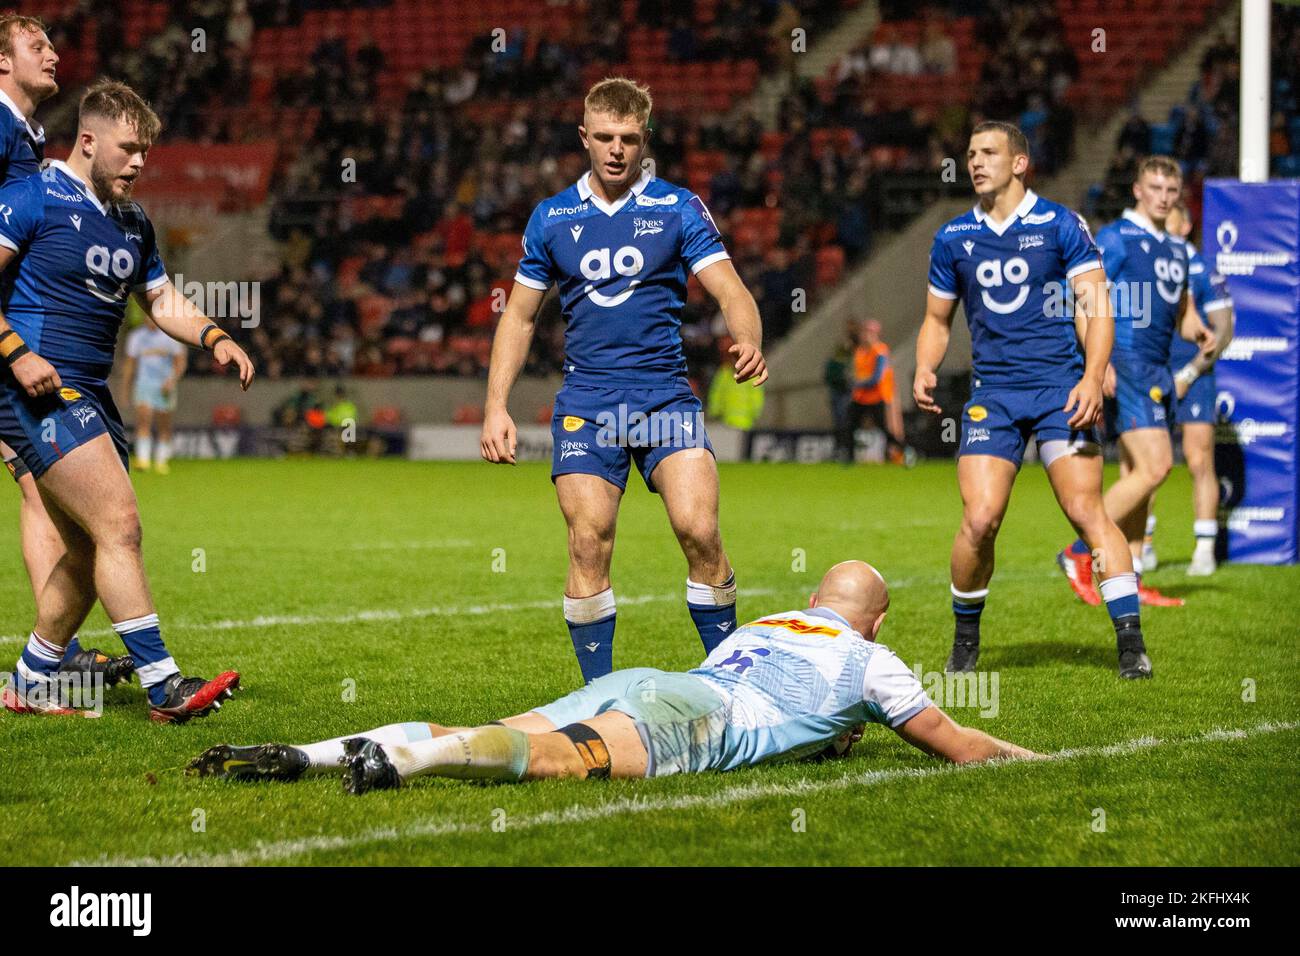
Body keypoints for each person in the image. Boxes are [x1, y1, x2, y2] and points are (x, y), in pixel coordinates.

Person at [188, 561, 1041, 793]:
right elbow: (956, 745)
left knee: (504, 725)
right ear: (876, 619)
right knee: (556, 760)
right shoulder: (873, 662)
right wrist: (1032, 759)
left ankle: (309, 752)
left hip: (647, 675)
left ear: (815, 599)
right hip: (694, 715)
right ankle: (408, 764)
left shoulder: (767, 622)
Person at [480, 78, 767, 683]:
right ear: (583, 137)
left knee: (699, 530)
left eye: (629, 139)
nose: (616, 150)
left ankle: (732, 684)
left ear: (645, 141)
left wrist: (749, 337)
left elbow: (731, 289)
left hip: (665, 396)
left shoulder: (679, 207)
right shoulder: (551, 217)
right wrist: (495, 406)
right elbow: (521, 317)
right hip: (588, 401)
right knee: (589, 540)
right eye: (605, 137)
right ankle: (600, 697)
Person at [0, 80, 254, 720]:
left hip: (92, 392)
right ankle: (162, 684)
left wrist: (215, 336)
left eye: (146, 152)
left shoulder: (133, 221)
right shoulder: (32, 196)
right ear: (87, 141)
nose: (140, 164)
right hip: (37, 390)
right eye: (129, 150)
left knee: (86, 549)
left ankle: (31, 678)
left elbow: (161, 300)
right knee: (120, 524)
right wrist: (16, 353)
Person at [913, 121, 1152, 680]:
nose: (976, 161)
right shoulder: (952, 237)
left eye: (989, 152)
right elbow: (935, 319)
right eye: (970, 153)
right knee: (980, 520)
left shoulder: (1060, 224)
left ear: (1020, 163)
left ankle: (1131, 646)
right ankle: (965, 645)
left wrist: (1093, 378)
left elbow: (1097, 307)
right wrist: (924, 365)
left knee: (1088, 512)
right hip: (992, 396)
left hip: (1058, 389)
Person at [0, 13, 132, 685]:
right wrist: (11, 342)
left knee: (38, 489)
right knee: (43, 489)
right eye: (36, 44)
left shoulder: (25, 135)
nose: (54, 53)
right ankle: (49, 661)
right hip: (10, 345)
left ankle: (45, 662)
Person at [1057, 157, 1208, 607]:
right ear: (1138, 191)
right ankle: (1079, 551)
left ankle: (1131, 576)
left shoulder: (1178, 248)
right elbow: (1083, 300)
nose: (1163, 196)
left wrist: (1196, 329)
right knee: (1157, 466)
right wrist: (1098, 364)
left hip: (1158, 366)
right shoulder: (1117, 238)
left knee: (1138, 476)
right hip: (1127, 361)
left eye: (1170, 190)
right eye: (1154, 188)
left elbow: (1181, 313)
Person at [1139, 201, 1233, 576]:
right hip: (1153, 373)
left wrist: (1189, 374)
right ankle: (1142, 546)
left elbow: (1223, 332)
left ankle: (1204, 548)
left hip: (1194, 377)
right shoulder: (1146, 263)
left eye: (1169, 216)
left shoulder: (1203, 269)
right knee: (1145, 466)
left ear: (1187, 223)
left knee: (1199, 459)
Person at [123, 314, 186, 473]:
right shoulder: (136, 337)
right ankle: (143, 459)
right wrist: (125, 389)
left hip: (165, 385)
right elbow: (130, 364)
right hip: (144, 383)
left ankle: (161, 459)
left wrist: (172, 380)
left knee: (163, 424)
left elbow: (180, 362)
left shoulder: (170, 336)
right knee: (143, 420)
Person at [849, 318, 906, 463]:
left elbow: (876, 377)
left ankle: (901, 451)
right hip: (861, 397)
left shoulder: (880, 350)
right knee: (849, 426)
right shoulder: (860, 351)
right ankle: (848, 456)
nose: (866, 335)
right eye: (864, 332)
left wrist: (858, 383)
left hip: (878, 396)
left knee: (887, 429)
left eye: (869, 332)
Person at [707, 336, 765, 430]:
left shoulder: (752, 373)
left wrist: (754, 413)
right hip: (726, 423)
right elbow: (716, 394)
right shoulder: (723, 373)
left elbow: (757, 398)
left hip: (745, 424)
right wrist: (715, 411)